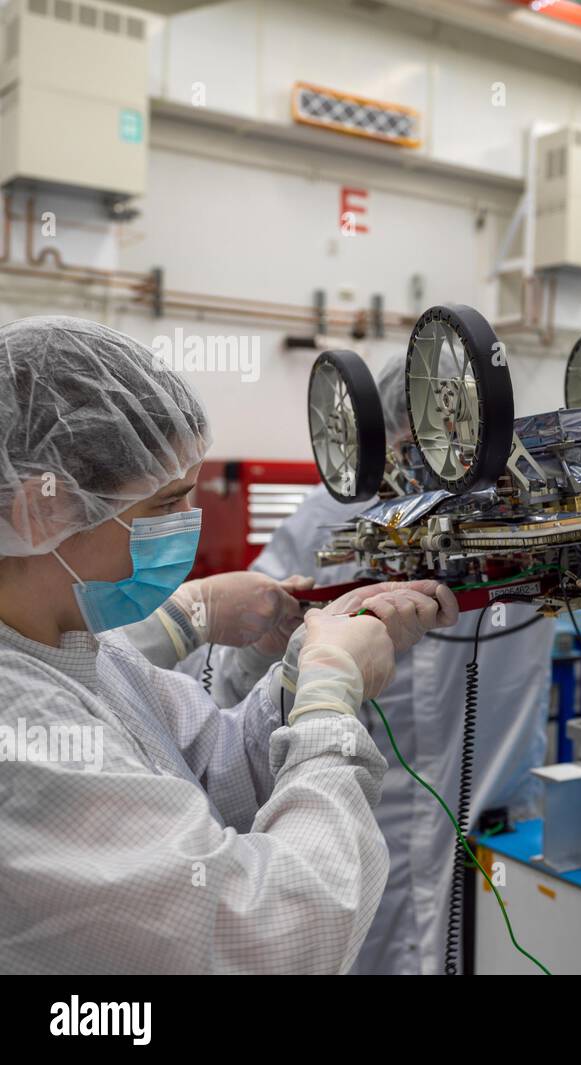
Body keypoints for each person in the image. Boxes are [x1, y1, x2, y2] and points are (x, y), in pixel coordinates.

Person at [0, 317, 456, 974]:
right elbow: (272, 933)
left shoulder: (75, 644)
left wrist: (298, 679)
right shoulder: (27, 737)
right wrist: (331, 703)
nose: (188, 526)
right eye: (165, 504)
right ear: (40, 512)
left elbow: (210, 766)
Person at [188, 352, 556, 975]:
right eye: (422, 433)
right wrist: (293, 656)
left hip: (499, 825)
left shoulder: (531, 515)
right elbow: (231, 683)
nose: (440, 453)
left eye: (464, 427)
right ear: (383, 435)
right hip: (360, 818)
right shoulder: (328, 521)